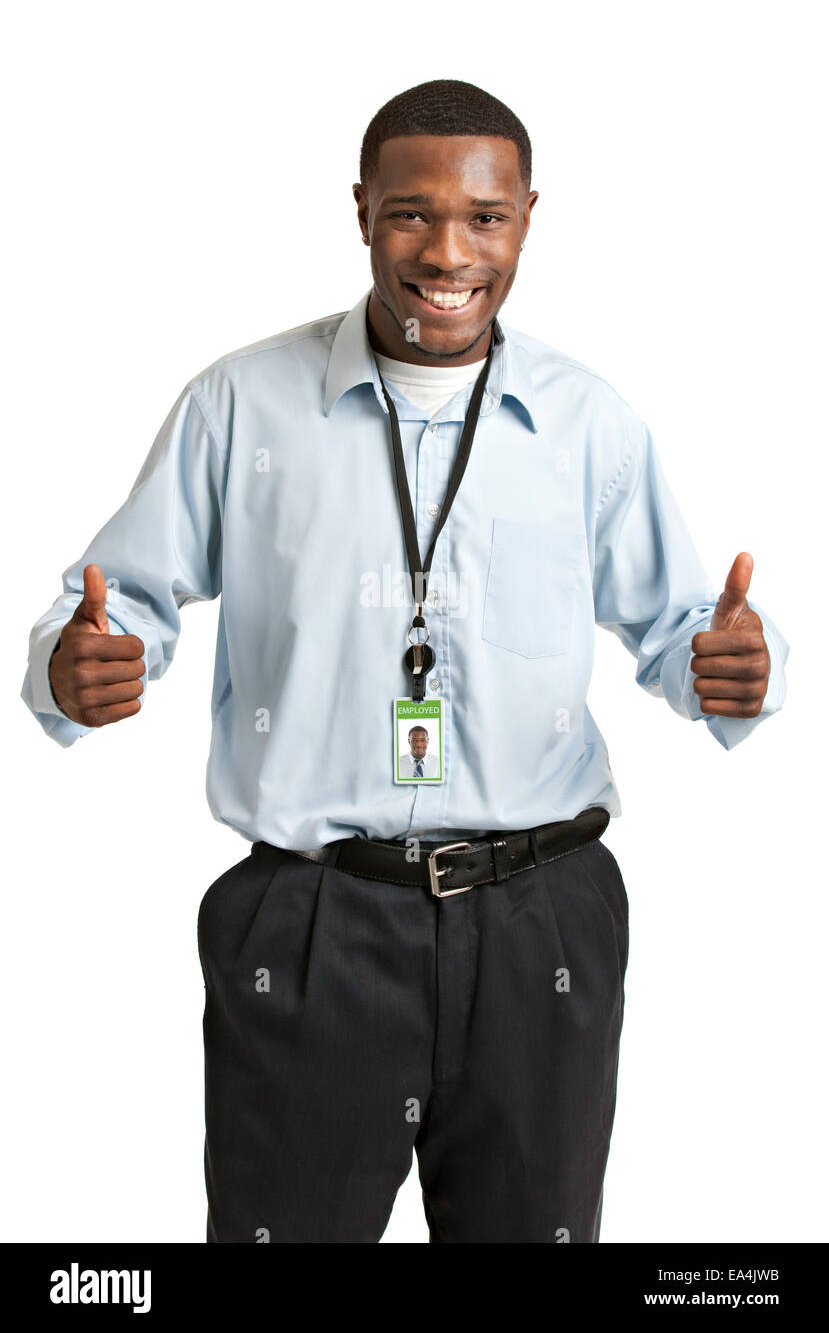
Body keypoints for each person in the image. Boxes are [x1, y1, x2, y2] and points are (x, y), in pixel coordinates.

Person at [21, 78, 789, 1244]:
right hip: (311, 923)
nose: (446, 251)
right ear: (360, 212)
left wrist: (736, 663)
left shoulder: (589, 423)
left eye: (484, 217)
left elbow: (688, 628)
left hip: (544, 921)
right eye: (408, 213)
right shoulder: (240, 406)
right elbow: (116, 597)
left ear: (527, 216)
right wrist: (77, 661)